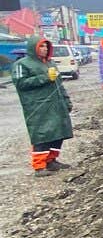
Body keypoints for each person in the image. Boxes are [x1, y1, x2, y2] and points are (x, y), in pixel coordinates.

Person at [12, 35, 73, 175]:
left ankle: (51, 160)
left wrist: (66, 100)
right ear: (33, 48)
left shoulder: (50, 63)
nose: (44, 49)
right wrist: (44, 78)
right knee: (42, 134)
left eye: (46, 46)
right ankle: (39, 166)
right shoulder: (22, 64)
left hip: (56, 104)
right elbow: (20, 83)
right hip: (37, 106)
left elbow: (59, 85)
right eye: (41, 46)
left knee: (58, 132)